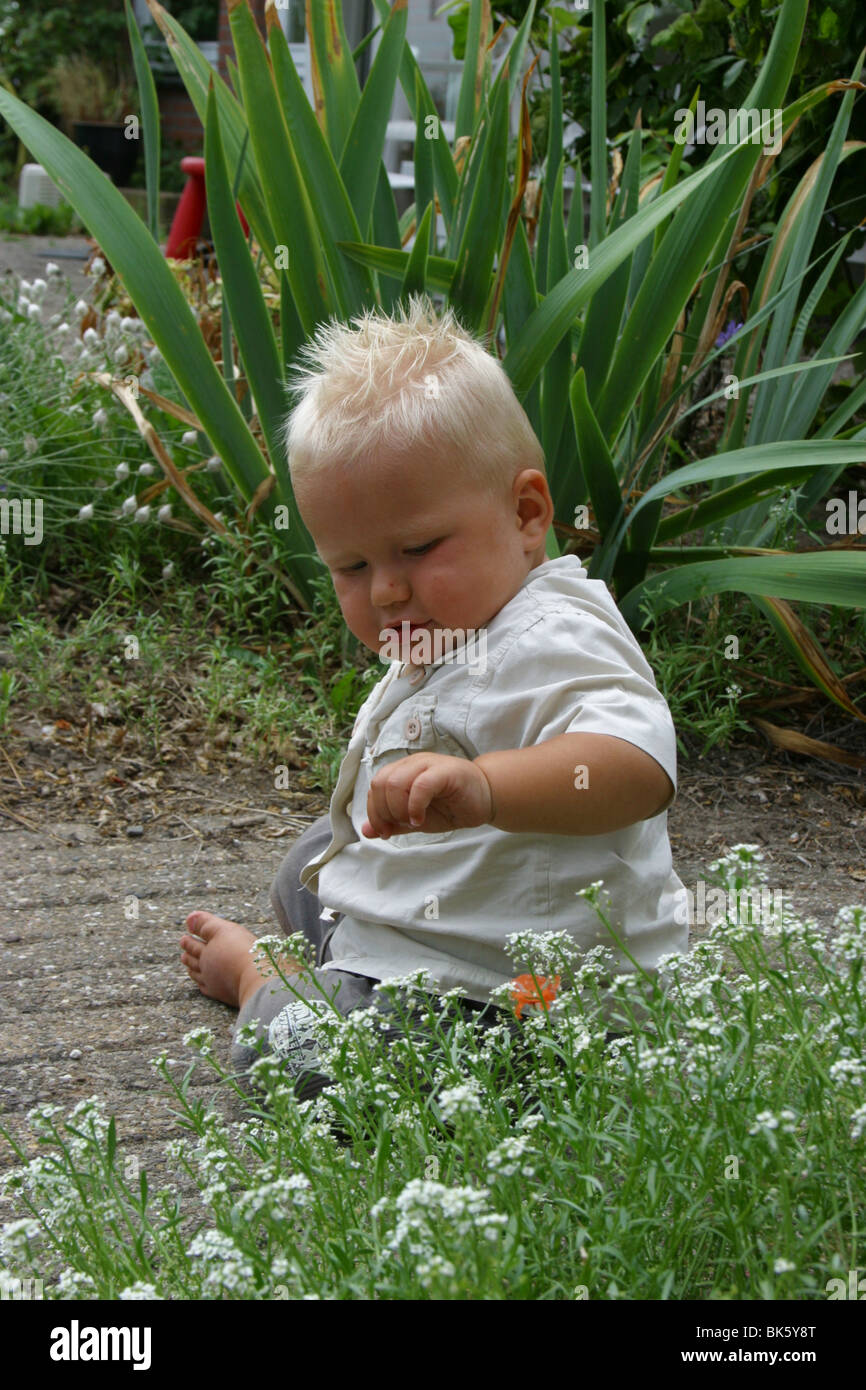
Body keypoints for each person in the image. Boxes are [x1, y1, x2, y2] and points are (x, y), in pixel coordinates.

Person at [179, 293, 688, 1102]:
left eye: (418, 548)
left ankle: (262, 981)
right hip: (453, 930)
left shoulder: (552, 633)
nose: (384, 591)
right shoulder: (452, 623)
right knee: (306, 865)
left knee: (301, 1063)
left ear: (527, 514)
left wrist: (489, 789)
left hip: (517, 1001)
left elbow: (635, 765)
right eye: (349, 567)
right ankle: (342, 949)